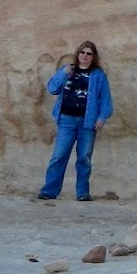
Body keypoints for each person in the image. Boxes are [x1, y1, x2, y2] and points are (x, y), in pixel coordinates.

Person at [37, 40, 113, 201]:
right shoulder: (68, 70)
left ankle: (83, 193)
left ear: (94, 57)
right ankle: (49, 191)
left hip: (88, 122)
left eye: (89, 53)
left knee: (84, 158)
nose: (85, 56)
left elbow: (106, 99)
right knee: (59, 156)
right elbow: (52, 88)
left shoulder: (98, 75)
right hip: (67, 121)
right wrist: (64, 73)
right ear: (77, 54)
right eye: (82, 52)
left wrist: (102, 117)